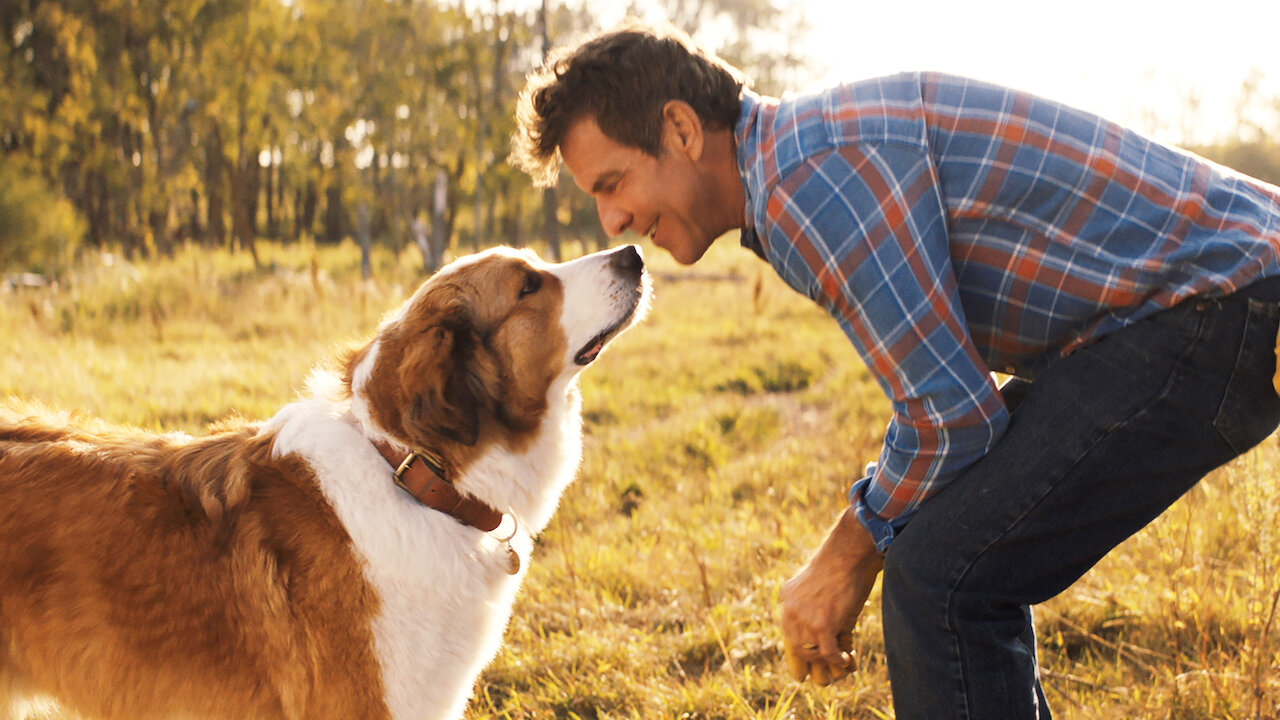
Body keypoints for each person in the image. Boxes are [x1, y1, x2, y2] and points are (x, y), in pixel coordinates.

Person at [510, 20, 1280, 719]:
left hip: (1225, 304)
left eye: (612, 184)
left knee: (942, 580)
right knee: (944, 564)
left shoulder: (810, 182)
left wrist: (846, 554)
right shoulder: (801, 161)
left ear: (680, 129)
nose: (611, 221)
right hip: (1203, 305)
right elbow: (956, 406)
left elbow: (952, 417)